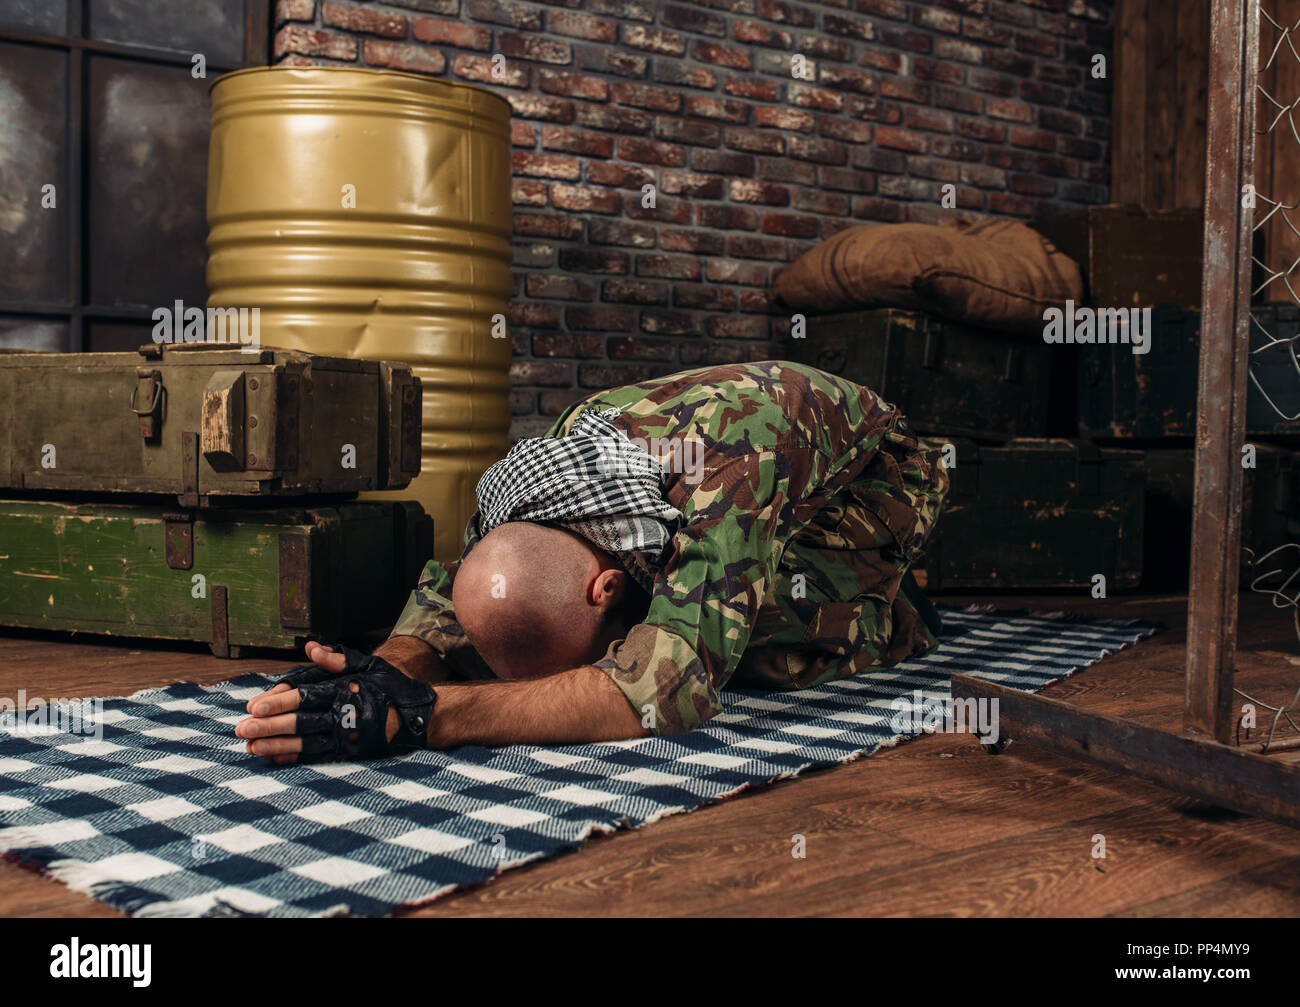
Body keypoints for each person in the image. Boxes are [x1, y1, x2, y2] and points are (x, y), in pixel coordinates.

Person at [234, 360, 949, 763]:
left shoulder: (733, 471)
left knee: (733, 638)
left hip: (876, 491)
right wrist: (386, 673)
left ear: (608, 584)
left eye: (584, 656)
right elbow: (456, 588)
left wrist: (431, 714)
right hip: (729, 492)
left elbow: (668, 684)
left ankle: (888, 616)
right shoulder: (539, 482)